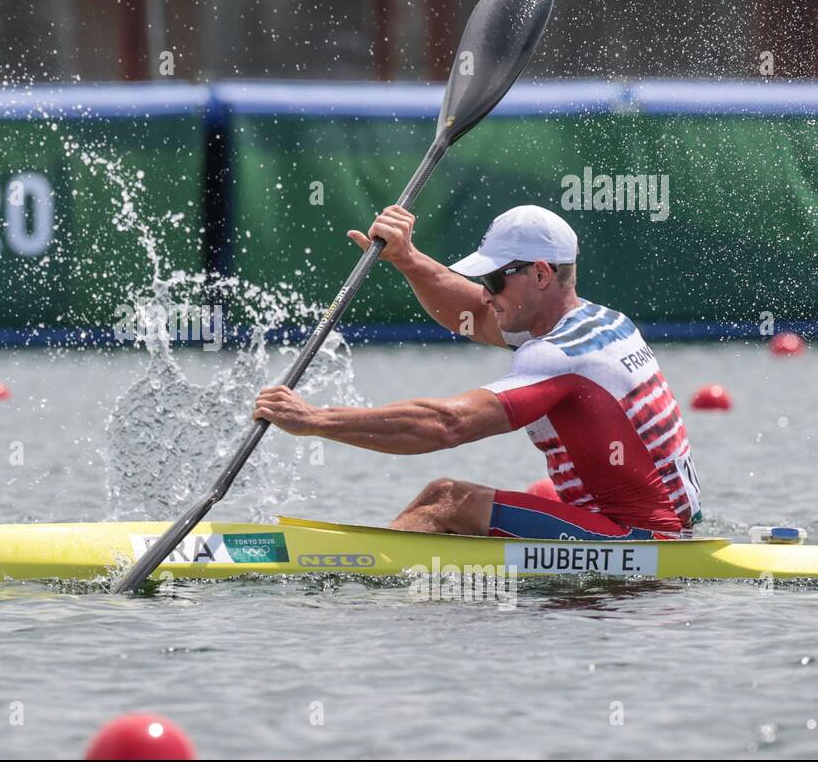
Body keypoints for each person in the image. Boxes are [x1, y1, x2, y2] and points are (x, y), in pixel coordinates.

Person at [253, 204, 702, 541]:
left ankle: (366, 586)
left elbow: (447, 425)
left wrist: (315, 420)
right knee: (545, 492)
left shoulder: (560, 355)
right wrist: (407, 258)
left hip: (642, 542)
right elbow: (469, 313)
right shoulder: (604, 322)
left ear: (541, 274)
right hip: (668, 522)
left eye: (493, 282)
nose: (485, 296)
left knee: (444, 500)